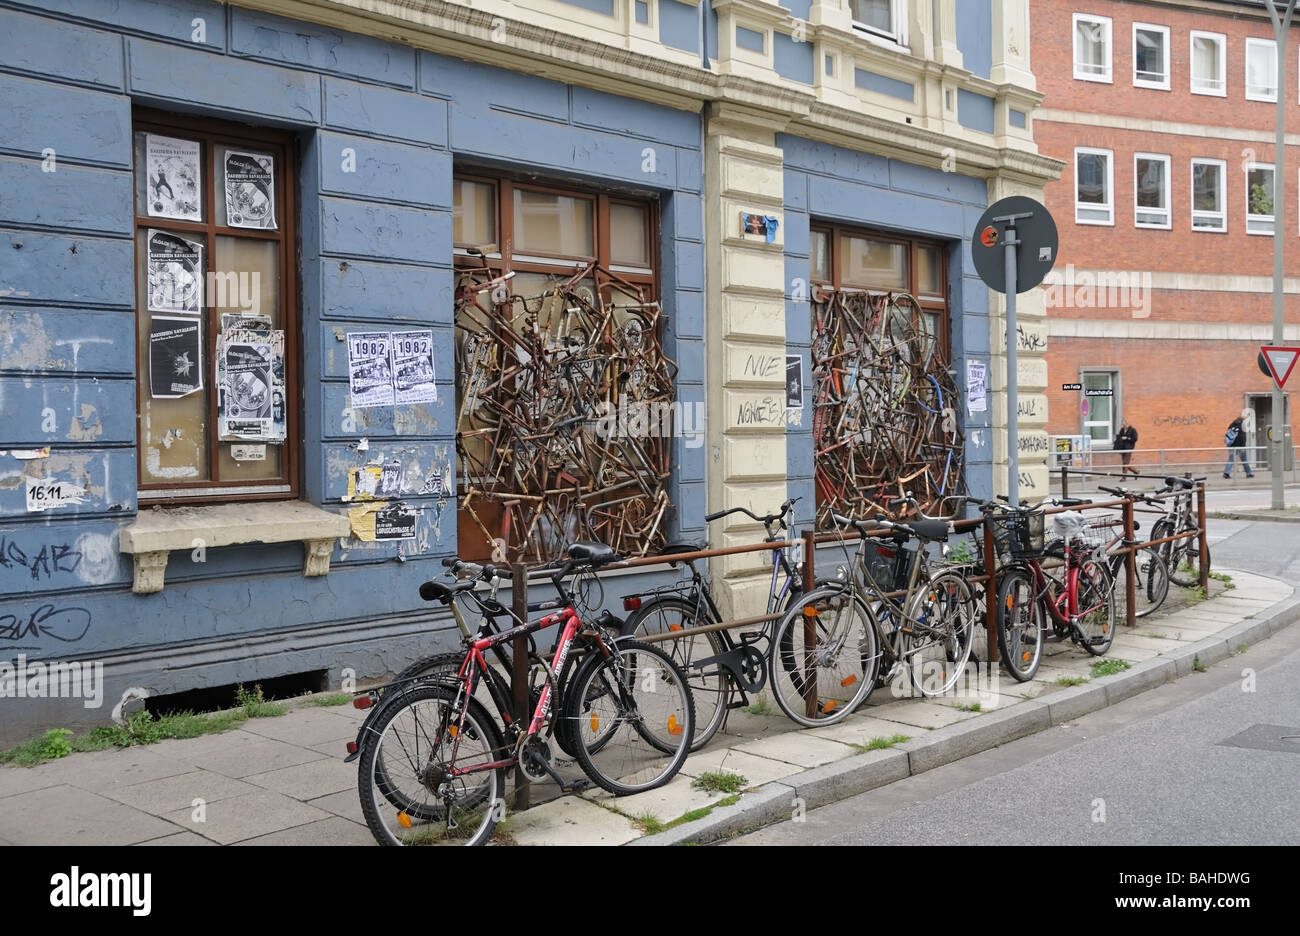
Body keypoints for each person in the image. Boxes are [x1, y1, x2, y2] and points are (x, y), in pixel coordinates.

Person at [1223, 411, 1255, 479]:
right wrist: (1243, 445)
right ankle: (1248, 473)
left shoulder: (1232, 424)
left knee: (1231, 459)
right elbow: (1242, 437)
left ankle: (1226, 473)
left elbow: (1228, 432)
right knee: (1244, 459)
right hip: (1240, 446)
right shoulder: (1242, 425)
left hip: (1232, 445)